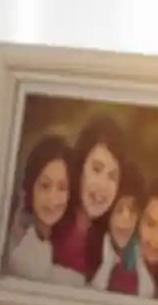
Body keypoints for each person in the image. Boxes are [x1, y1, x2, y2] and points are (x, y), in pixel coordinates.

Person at [52, 116, 125, 282]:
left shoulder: (113, 246)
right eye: (96, 169)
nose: (102, 185)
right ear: (80, 166)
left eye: (112, 176)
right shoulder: (50, 218)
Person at [5, 136, 85, 285]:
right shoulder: (19, 247)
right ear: (31, 187)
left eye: (62, 188)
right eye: (45, 185)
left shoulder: (58, 239)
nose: (52, 199)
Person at [90, 163, 156, 296]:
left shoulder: (145, 253)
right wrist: (108, 264)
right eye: (119, 210)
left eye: (132, 211)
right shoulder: (92, 247)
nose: (125, 219)